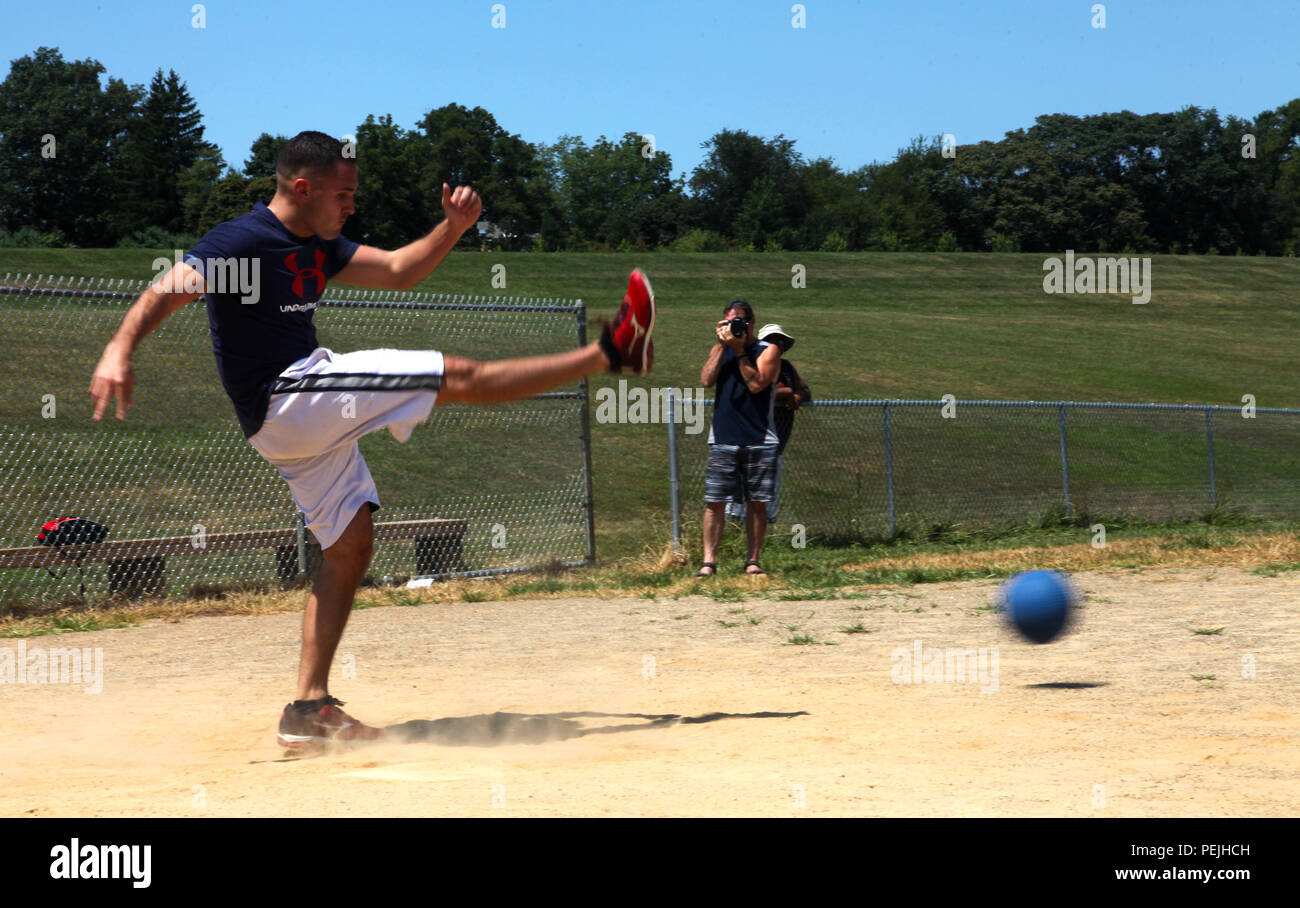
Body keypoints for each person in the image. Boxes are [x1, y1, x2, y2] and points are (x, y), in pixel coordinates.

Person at [88, 130, 655, 748]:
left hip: (292, 425)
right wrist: (119, 349)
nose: (351, 205)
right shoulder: (243, 241)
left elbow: (399, 270)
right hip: (290, 397)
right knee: (457, 376)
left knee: (351, 545)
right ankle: (611, 351)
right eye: (343, 194)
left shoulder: (318, 244)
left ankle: (308, 711)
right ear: (302, 188)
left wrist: (454, 228)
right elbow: (167, 288)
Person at [697, 299, 780, 577]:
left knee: (757, 502)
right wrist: (723, 346)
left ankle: (753, 560)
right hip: (724, 436)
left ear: (751, 323)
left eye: (739, 321)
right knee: (715, 501)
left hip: (760, 437)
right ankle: (708, 562)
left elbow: (757, 384)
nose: (734, 326)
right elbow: (706, 380)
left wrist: (740, 351)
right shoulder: (720, 350)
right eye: (729, 322)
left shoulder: (767, 350)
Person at [725, 323, 810, 523]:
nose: (778, 344)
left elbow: (805, 389)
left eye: (781, 341)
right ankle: (734, 524)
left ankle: (766, 526)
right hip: (751, 439)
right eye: (772, 340)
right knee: (743, 484)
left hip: (777, 441)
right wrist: (786, 392)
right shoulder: (753, 363)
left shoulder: (787, 367)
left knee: (769, 488)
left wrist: (798, 396)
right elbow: (754, 390)